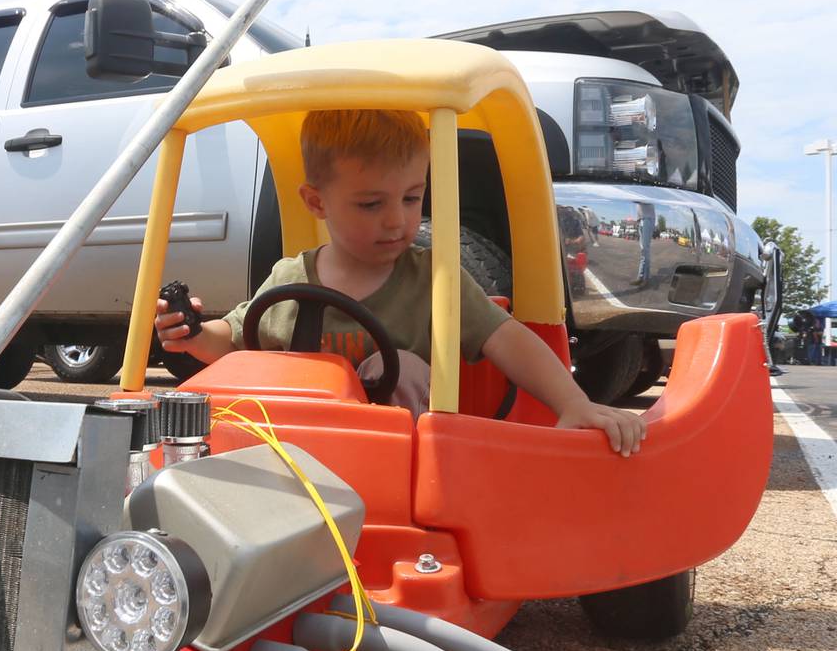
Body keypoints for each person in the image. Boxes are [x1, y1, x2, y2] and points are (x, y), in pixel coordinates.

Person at [154, 108, 646, 456]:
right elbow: (233, 342)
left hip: (395, 469)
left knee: (405, 366)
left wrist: (575, 403)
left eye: (412, 198)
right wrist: (192, 333)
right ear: (317, 202)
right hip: (291, 459)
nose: (397, 221)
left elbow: (509, 339)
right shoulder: (288, 278)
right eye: (372, 204)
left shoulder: (432, 280)